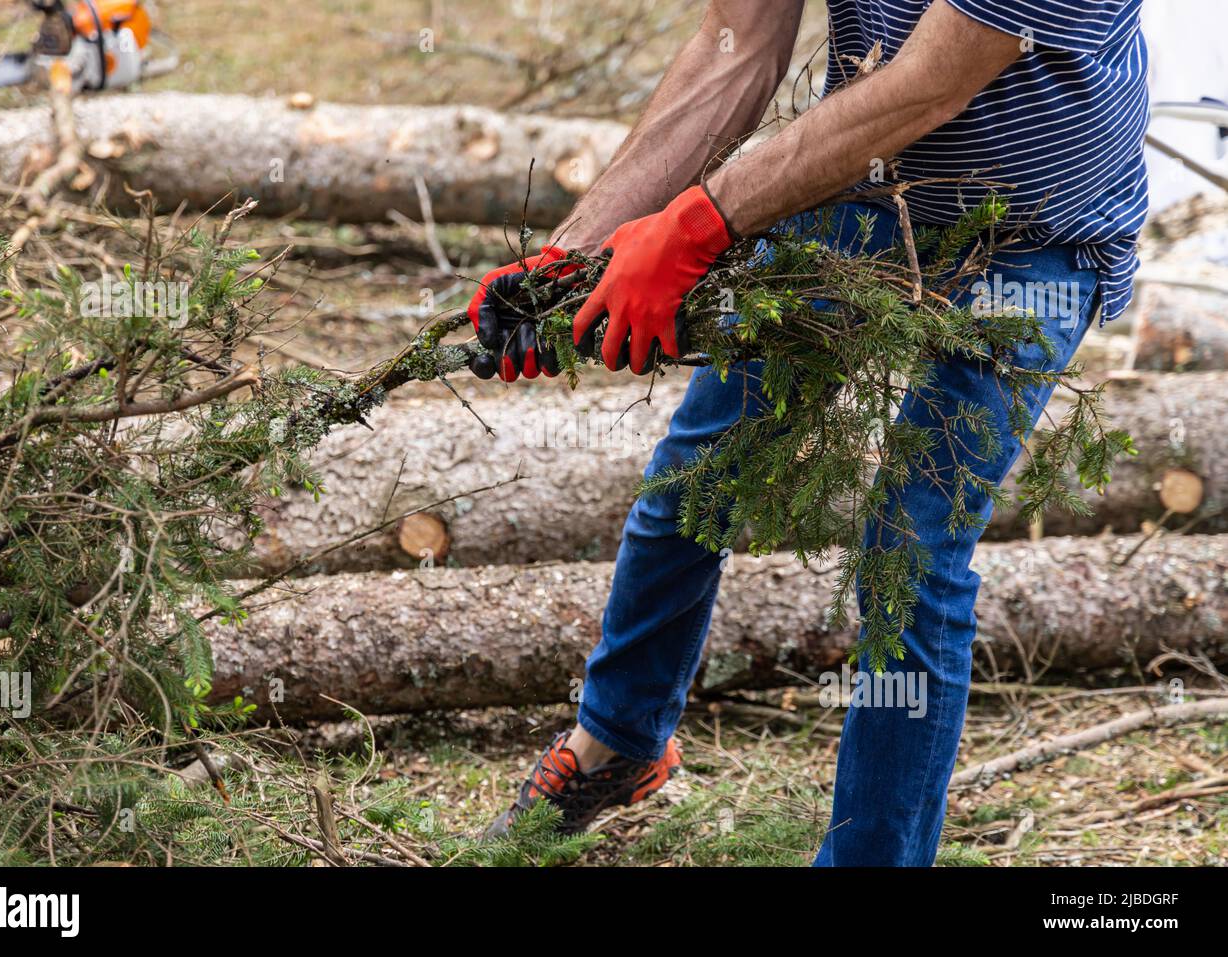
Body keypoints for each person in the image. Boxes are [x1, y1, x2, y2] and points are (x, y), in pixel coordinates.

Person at [470, 0, 1148, 866]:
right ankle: (618, 743)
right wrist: (582, 248)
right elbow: (737, 47)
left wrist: (695, 225)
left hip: (1033, 233)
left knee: (911, 544)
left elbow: (931, 84)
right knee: (701, 471)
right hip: (857, 180)